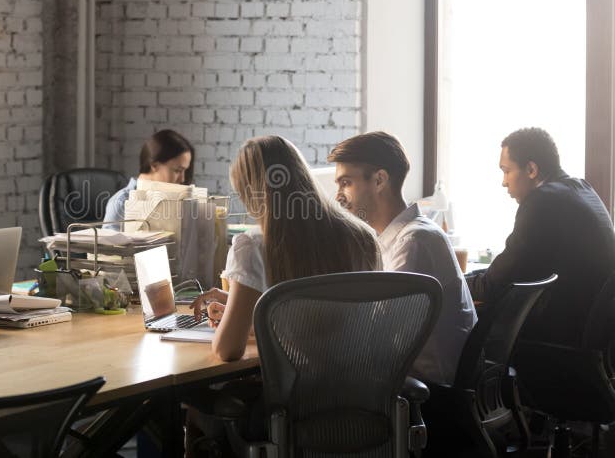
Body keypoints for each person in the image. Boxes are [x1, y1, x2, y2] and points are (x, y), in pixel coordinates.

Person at [191, 135, 380, 362]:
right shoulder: (363, 236)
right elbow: (327, 321)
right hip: (364, 387)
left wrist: (230, 323)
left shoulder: (252, 246)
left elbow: (227, 350)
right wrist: (240, 307)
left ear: (251, 194)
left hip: (300, 391)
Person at [327, 131, 477, 385]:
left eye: (346, 183)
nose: (338, 196)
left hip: (426, 393)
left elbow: (377, 337)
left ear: (379, 180)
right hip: (417, 384)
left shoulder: (413, 242)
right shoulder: (403, 236)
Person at [466, 127, 615, 346]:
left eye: (506, 171)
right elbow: (515, 267)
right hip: (596, 336)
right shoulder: (582, 189)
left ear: (532, 170)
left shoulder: (542, 202)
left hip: (560, 335)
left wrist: (455, 282)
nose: (504, 182)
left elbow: (494, 284)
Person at [103, 129, 194, 229]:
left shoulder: (175, 200)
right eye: (177, 170)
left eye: (185, 171)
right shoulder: (120, 203)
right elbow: (109, 244)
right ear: (154, 165)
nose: (182, 179)